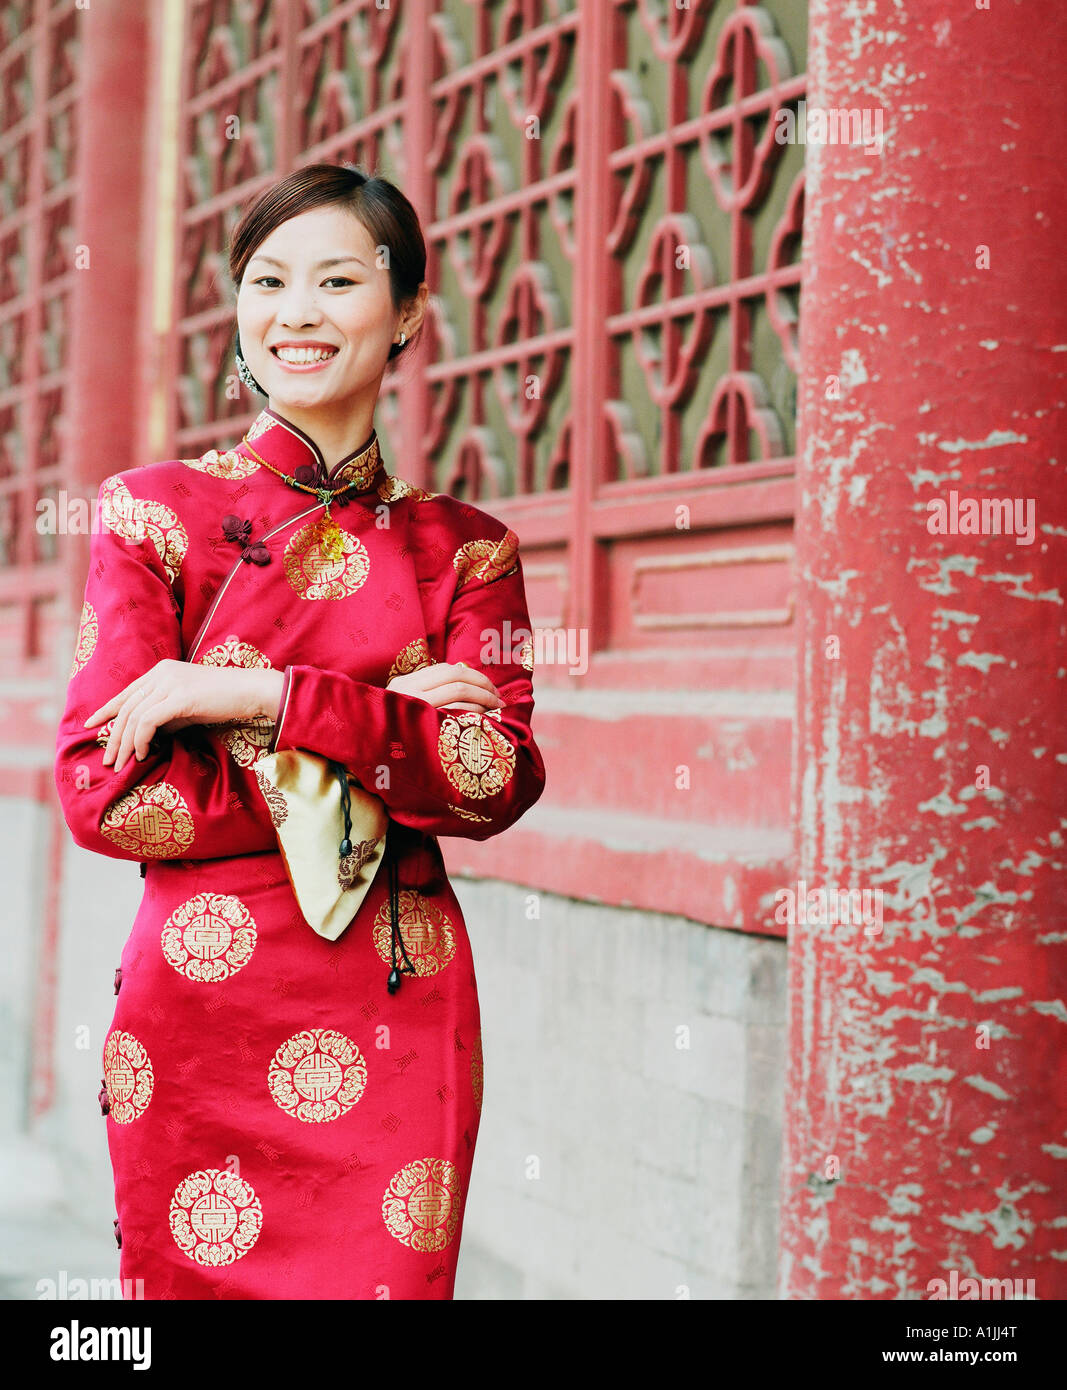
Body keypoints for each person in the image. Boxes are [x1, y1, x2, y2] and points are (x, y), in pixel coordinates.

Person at [52, 162, 546, 1300]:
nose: (298, 312)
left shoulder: (468, 549)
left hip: (392, 1010)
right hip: (200, 1006)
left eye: (337, 279)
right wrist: (388, 729)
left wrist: (255, 701)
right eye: (268, 280)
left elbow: (491, 781)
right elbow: (107, 797)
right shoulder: (151, 513)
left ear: (409, 309)